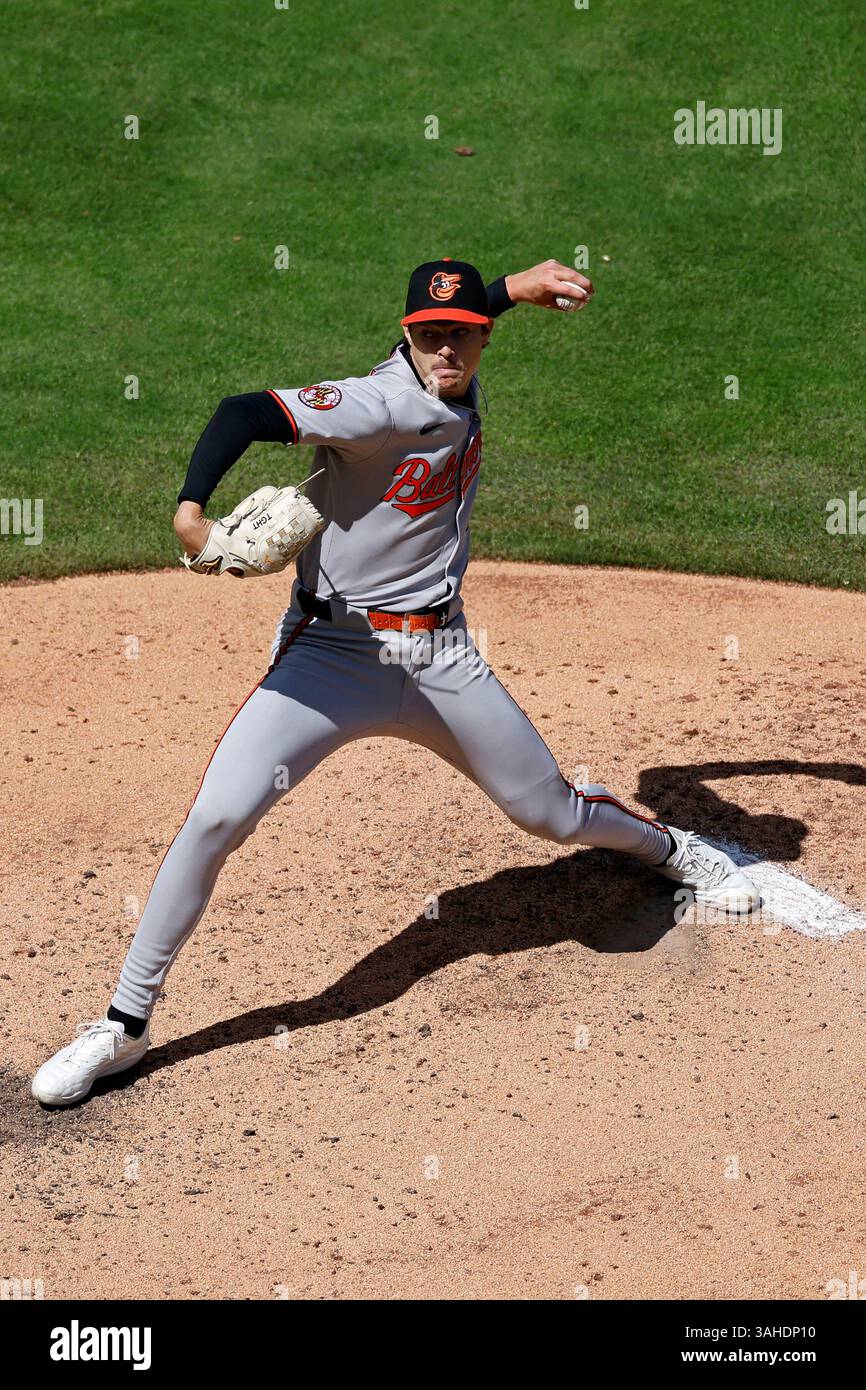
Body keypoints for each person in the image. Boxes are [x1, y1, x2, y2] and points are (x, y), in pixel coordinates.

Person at [31, 257, 759, 1107]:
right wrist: (192, 509)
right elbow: (244, 411)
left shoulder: (452, 376)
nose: (446, 349)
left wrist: (512, 290)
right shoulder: (374, 402)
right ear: (405, 338)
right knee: (218, 816)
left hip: (439, 659)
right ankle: (122, 1025)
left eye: (464, 334)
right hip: (329, 662)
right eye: (429, 334)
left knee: (548, 813)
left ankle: (669, 849)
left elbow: (454, 333)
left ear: (480, 338)